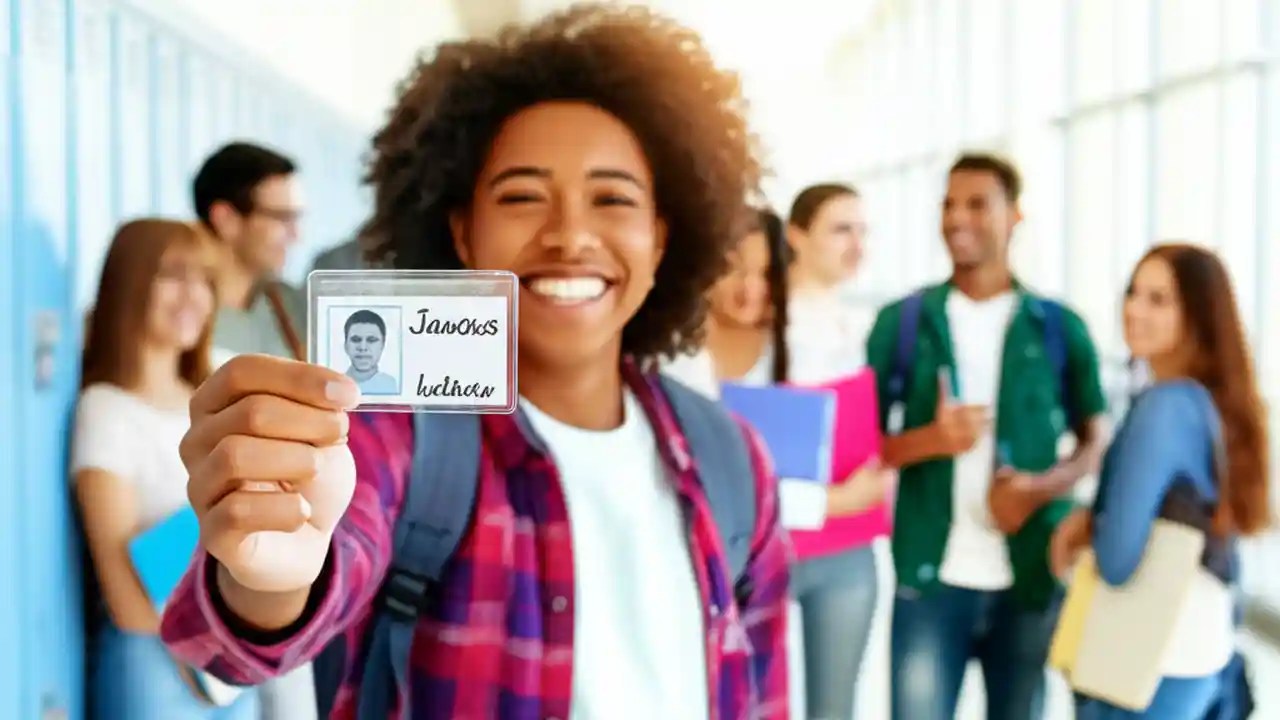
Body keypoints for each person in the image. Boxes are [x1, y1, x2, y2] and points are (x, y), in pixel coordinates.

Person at [159, 6, 789, 720]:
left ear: (664, 236)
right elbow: (234, 639)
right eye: (522, 196)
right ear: (461, 231)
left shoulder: (734, 463)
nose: (570, 235)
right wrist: (269, 583)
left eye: (613, 198)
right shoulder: (393, 437)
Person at [866, 153, 1110, 720]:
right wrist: (932, 439)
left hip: (1027, 581)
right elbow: (865, 446)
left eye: (977, 204)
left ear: (1015, 215)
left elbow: (1096, 440)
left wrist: (1041, 487)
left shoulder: (1058, 328)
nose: (957, 219)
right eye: (949, 204)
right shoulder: (901, 324)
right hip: (931, 581)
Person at [668, 199, 890, 719]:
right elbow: (709, 490)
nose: (751, 288)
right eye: (733, 270)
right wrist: (829, 502)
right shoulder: (676, 361)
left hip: (819, 555)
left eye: (766, 273)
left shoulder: (801, 344)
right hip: (722, 562)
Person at [1051, 244, 1269, 720]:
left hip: (1146, 662)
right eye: (1133, 292)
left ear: (1196, 315)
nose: (1134, 309)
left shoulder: (1163, 407)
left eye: (1158, 299)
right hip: (1200, 651)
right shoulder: (1213, 404)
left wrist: (1087, 526)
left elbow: (1115, 561)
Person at [73, 219, 260, 720]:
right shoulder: (107, 409)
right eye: (173, 275)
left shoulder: (215, 399)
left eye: (204, 279)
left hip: (233, 659)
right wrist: (228, 518)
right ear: (131, 283)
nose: (194, 295)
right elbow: (127, 602)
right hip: (155, 666)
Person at [193, 142, 307, 367]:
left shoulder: (291, 305)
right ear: (226, 219)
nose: (296, 236)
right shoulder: (183, 310)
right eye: (282, 218)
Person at [341, 309, 397, 394]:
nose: (363, 347)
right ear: (345, 345)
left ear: (382, 345)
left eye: (371, 340)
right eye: (356, 340)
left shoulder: (392, 386)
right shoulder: (334, 385)